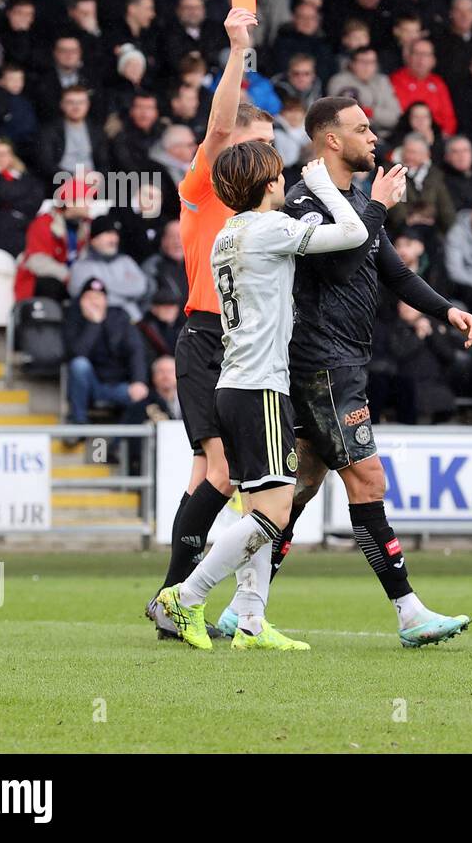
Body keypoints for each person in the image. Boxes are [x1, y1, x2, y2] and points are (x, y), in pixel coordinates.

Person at [235, 95, 472, 649]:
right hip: (323, 364)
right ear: (330, 140)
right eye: (362, 129)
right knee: (367, 480)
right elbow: (343, 260)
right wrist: (380, 210)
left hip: (338, 362)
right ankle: (409, 612)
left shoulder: (354, 199)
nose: (374, 138)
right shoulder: (303, 204)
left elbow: (390, 270)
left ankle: (237, 606)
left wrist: (446, 309)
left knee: (297, 489)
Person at [155, 143, 376, 651]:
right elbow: (354, 233)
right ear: (268, 183)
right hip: (261, 388)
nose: (284, 181)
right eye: (278, 175)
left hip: (233, 384)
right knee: (273, 514)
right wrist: (322, 186)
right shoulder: (269, 229)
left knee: (256, 505)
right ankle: (185, 597)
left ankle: (251, 622)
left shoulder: (227, 234)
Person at [145, 7, 277, 640]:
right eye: (262, 143)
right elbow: (222, 120)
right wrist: (235, 50)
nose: (271, 156)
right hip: (205, 336)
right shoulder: (204, 185)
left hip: (243, 343)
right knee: (225, 477)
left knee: (217, 479)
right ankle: (175, 599)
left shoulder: (260, 206)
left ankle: (186, 605)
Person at [64, 277, 147, 425]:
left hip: (117, 384)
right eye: (89, 297)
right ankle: (79, 422)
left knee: (142, 398)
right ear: (81, 300)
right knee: (79, 364)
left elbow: (136, 350)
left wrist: (139, 381)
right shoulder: (73, 318)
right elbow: (77, 353)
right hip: (90, 384)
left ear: (106, 300)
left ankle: (117, 443)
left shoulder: (119, 317)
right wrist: (94, 324)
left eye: (98, 297)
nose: (94, 302)